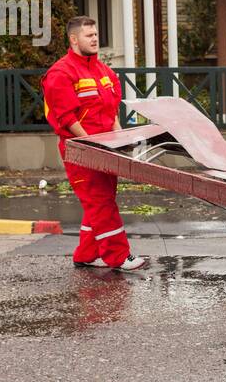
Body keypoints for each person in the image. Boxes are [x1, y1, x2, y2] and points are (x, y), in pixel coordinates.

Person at [42, 16, 148, 272]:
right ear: (74, 39)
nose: (94, 39)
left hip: (106, 149)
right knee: (100, 202)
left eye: (96, 34)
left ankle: (86, 253)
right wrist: (89, 145)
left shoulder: (105, 72)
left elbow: (112, 113)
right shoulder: (60, 73)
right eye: (89, 35)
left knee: (101, 200)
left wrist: (120, 142)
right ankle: (119, 256)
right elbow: (67, 118)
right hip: (81, 152)